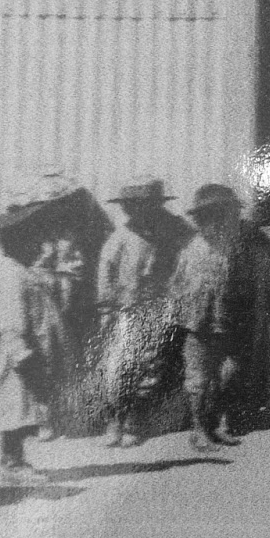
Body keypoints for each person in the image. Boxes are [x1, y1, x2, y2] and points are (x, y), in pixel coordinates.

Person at [0, 171, 112, 484]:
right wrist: (22, 353)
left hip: (20, 351)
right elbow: (11, 321)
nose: (41, 250)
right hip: (15, 357)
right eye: (35, 245)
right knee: (16, 407)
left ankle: (14, 460)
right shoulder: (13, 276)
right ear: (16, 245)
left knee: (23, 407)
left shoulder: (21, 271)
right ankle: (12, 463)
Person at [169, 183, 270, 452]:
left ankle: (216, 424)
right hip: (201, 322)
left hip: (237, 318)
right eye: (209, 215)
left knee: (233, 371)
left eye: (223, 213)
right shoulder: (194, 248)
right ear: (200, 218)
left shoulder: (248, 241)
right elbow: (178, 286)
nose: (217, 221)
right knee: (200, 377)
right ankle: (199, 430)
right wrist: (183, 317)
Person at [95, 177, 194, 448]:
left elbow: (188, 264)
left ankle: (135, 421)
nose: (137, 212)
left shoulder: (176, 232)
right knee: (119, 366)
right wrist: (106, 307)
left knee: (152, 365)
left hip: (162, 307)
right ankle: (115, 417)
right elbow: (107, 271)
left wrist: (180, 297)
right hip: (126, 310)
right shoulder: (121, 237)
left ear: (156, 205)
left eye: (144, 205)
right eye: (131, 206)